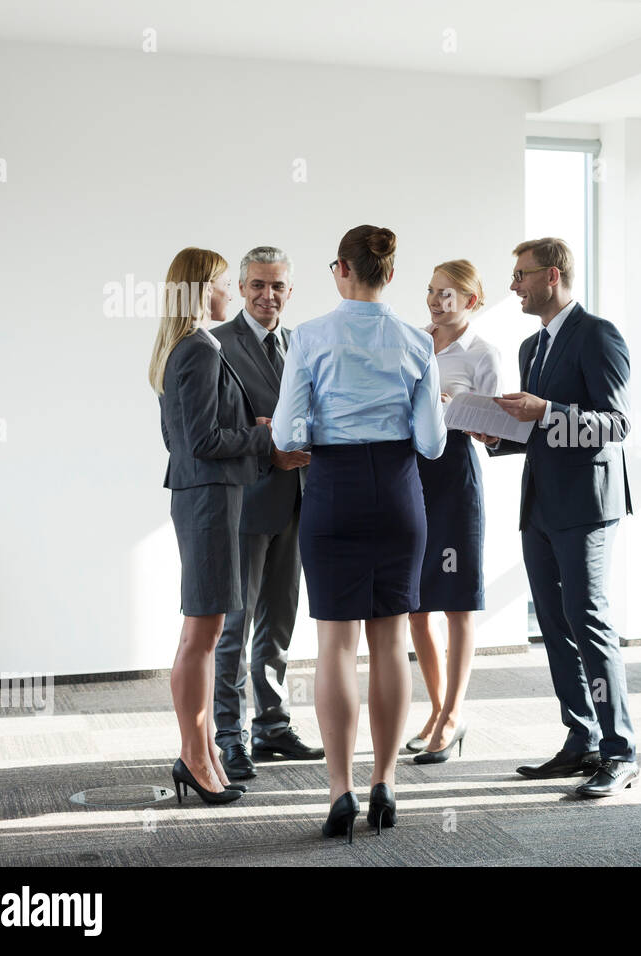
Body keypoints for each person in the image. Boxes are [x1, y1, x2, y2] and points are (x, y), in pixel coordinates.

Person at [271, 224, 446, 842]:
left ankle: (339, 790)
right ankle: (386, 783)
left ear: (339, 269)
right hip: (398, 493)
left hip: (334, 492)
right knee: (391, 640)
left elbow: (288, 434)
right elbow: (431, 442)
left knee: (336, 647)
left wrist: (318, 421)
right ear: (390, 275)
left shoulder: (310, 336)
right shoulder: (414, 342)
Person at [471, 237, 637, 798]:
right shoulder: (529, 347)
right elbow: (541, 431)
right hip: (539, 503)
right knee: (553, 623)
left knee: (587, 620)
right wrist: (499, 436)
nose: (513, 285)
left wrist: (548, 411)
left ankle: (620, 751)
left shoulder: (598, 334)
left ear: (553, 275)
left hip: (587, 505)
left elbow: (615, 425)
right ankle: (581, 739)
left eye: (521, 275)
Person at [150, 247, 277, 806]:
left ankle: (200, 751)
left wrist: (247, 427)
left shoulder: (185, 347)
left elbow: (181, 438)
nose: (230, 290)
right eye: (225, 281)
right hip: (208, 501)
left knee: (197, 633)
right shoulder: (201, 349)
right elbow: (200, 442)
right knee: (202, 636)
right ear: (204, 288)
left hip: (205, 496)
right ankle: (195, 756)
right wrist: (263, 438)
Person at [211, 246, 323, 780]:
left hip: (300, 497)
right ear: (241, 287)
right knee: (235, 625)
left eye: (277, 286)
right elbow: (214, 427)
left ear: (289, 291)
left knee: (279, 621)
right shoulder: (218, 345)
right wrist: (262, 432)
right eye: (257, 285)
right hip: (248, 500)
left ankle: (272, 725)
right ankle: (229, 736)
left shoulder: (301, 342)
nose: (267, 295)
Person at [406, 260, 501, 763]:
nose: (438, 302)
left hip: (454, 477)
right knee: (416, 605)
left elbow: (495, 424)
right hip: (413, 474)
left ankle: (453, 713)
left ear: (471, 302)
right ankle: (438, 707)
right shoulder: (414, 343)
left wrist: (455, 406)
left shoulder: (483, 352)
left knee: (457, 601)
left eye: (450, 294)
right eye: (433, 291)